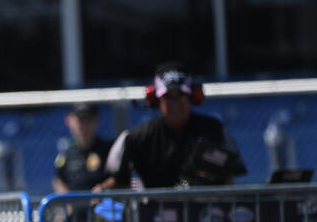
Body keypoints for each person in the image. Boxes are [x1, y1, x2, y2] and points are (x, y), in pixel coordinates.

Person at [98, 63, 246, 190]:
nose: (175, 104)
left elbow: (229, 179)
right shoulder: (137, 138)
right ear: (155, 99)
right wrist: (101, 192)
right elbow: (118, 182)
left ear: (192, 96)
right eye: (168, 97)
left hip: (207, 216)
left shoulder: (214, 130)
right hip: (154, 218)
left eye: (181, 95)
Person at [53, 103, 112, 193]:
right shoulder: (67, 153)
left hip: (103, 205)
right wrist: (67, 201)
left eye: (88, 121)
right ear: (70, 121)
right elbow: (59, 180)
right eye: (80, 121)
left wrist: (103, 188)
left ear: (96, 120)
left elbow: (118, 177)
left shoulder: (108, 149)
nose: (84, 126)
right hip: (75, 205)